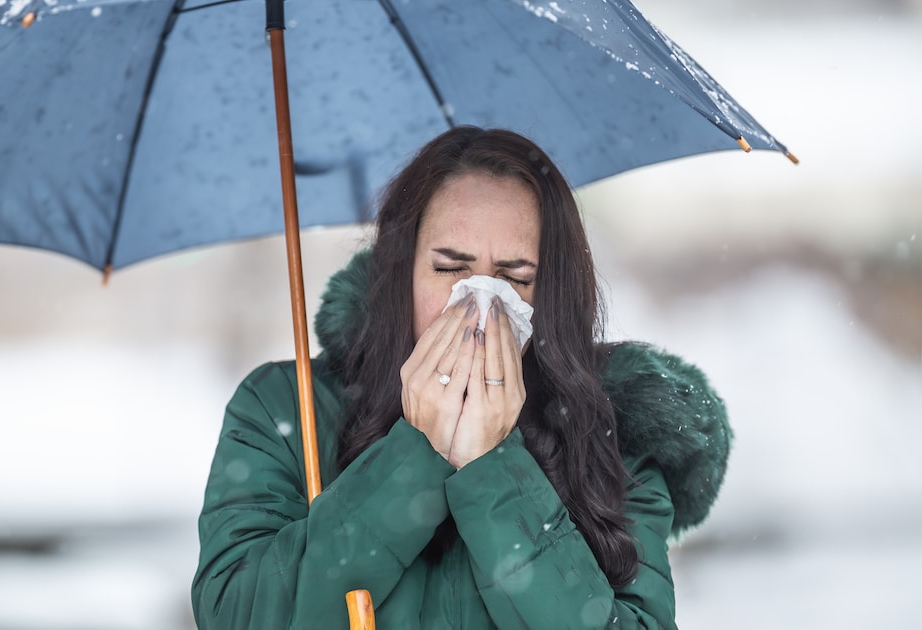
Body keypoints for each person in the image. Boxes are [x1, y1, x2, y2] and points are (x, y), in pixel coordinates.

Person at [191, 127, 731, 628]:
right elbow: (237, 614)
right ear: (400, 271)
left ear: (554, 295)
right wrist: (416, 451)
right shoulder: (286, 409)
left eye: (515, 277)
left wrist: (492, 465)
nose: (478, 304)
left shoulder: (617, 435)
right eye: (450, 268)